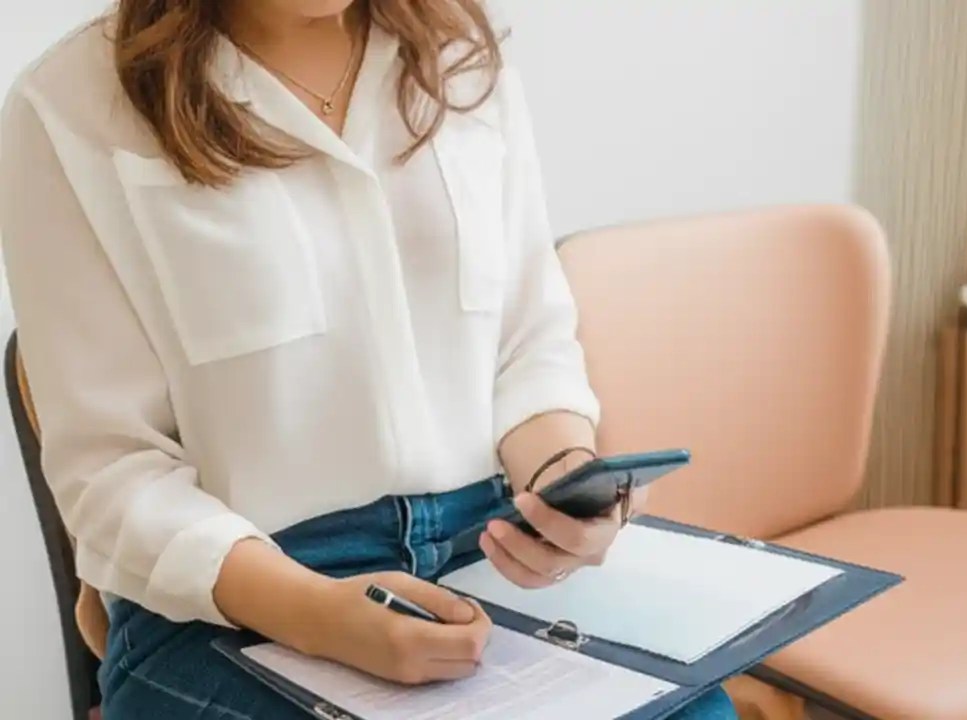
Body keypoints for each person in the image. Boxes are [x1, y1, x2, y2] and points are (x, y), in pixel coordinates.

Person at [0, 1, 738, 717]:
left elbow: (528, 339)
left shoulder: (459, 52)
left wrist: (561, 482)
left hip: (487, 546)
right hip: (240, 588)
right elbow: (110, 471)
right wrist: (314, 613)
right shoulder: (67, 107)